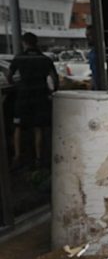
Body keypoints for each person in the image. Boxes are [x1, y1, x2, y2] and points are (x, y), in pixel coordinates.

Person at [9, 32, 58, 169]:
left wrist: (16, 85)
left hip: (23, 96)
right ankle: (38, 158)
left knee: (18, 126)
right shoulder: (45, 59)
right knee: (38, 127)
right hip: (40, 95)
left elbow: (9, 76)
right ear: (36, 43)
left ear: (24, 43)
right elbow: (54, 78)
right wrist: (53, 91)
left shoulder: (19, 58)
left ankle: (17, 157)